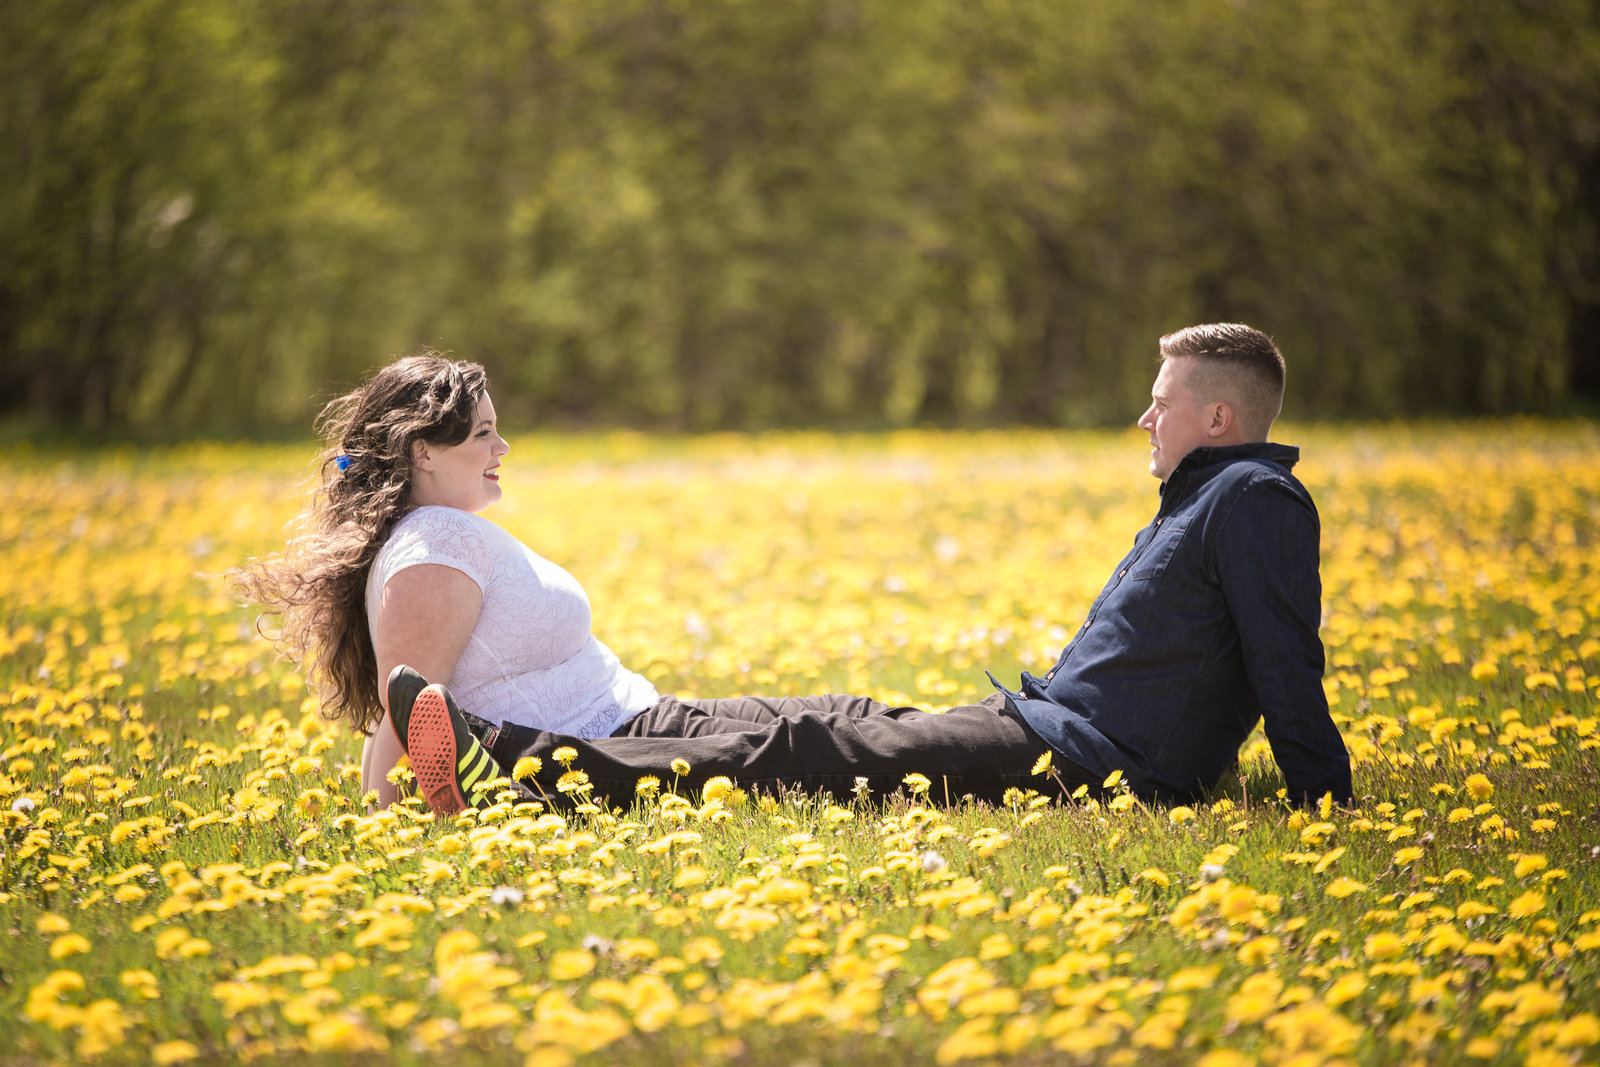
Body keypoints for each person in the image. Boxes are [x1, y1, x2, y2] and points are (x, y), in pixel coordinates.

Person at [380, 323, 1354, 814]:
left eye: (1163, 403)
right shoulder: (1211, 493)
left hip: (1095, 759)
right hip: (1055, 723)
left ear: (1218, 419)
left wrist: (1326, 804)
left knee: (807, 750)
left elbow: (1283, 657)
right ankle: (503, 753)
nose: (1145, 418)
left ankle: (516, 768)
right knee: (834, 717)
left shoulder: (1251, 500)